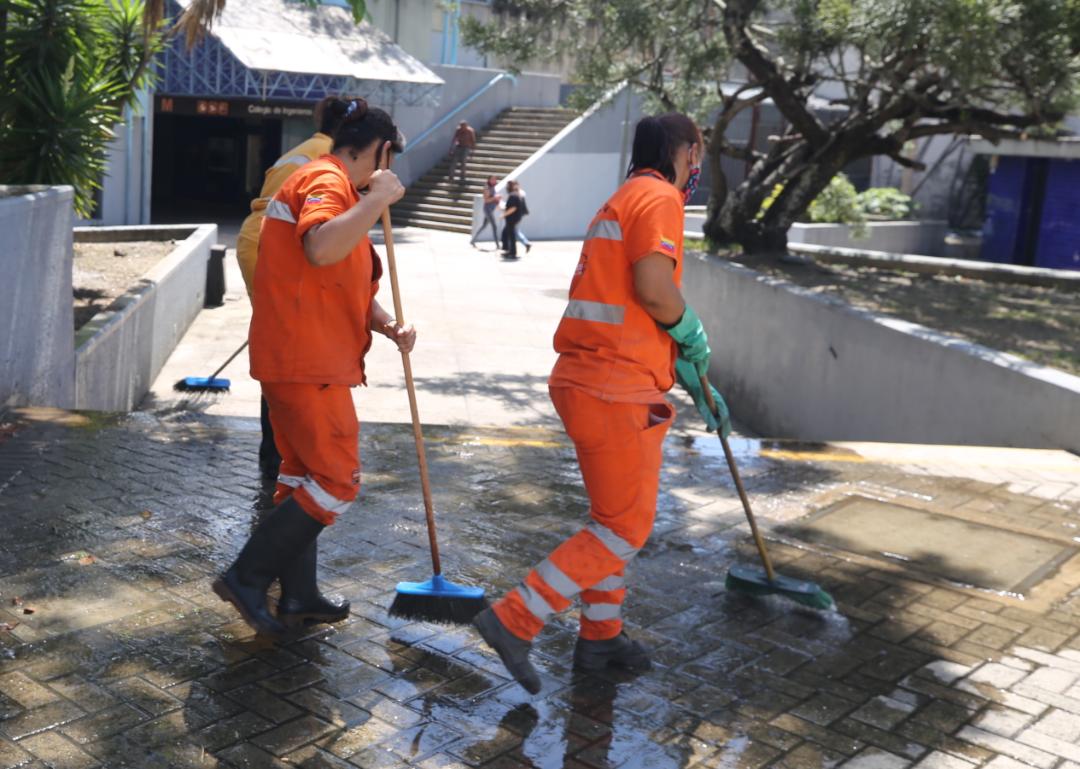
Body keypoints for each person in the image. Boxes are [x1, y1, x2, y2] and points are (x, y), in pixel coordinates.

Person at [472, 113, 733, 693]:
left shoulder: (620, 199)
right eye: (697, 154)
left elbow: (625, 302)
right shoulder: (660, 198)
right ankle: (515, 619)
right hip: (616, 391)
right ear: (683, 150)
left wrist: (682, 367)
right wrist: (689, 331)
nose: (697, 166)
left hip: (591, 381)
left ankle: (601, 637)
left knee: (609, 521)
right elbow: (654, 288)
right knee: (625, 529)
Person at [213, 99, 414, 637]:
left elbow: (338, 281)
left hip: (299, 357)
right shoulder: (326, 180)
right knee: (337, 481)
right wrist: (378, 199)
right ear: (381, 150)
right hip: (308, 361)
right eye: (388, 162)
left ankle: (299, 595)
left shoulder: (341, 191)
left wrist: (388, 324)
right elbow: (322, 248)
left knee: (299, 477)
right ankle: (247, 577)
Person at [235, 95, 355, 481]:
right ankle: (284, 453)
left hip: (257, 237)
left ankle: (278, 452)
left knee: (283, 344)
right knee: (288, 349)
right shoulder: (329, 160)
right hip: (270, 242)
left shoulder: (306, 148)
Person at [471, 175, 501, 249]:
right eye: (493, 179)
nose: (495, 181)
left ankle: (473, 240)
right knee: (494, 226)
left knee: (484, 226)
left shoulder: (493, 187)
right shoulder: (487, 187)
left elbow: (493, 198)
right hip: (488, 210)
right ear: (489, 180)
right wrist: (495, 198)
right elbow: (486, 200)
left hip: (490, 209)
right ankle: (497, 245)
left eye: (495, 179)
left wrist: (496, 199)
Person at [500, 180, 527, 259]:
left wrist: (503, 215)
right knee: (508, 235)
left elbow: (513, 208)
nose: (506, 187)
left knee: (510, 236)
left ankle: (512, 252)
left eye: (508, 186)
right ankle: (509, 251)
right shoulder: (514, 195)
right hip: (513, 218)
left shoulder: (513, 195)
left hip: (512, 219)